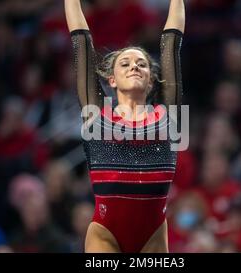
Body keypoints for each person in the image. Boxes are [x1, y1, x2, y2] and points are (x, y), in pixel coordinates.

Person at [65, 0, 185, 253]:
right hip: (105, 234)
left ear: (151, 80)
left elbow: (172, 44)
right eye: (125, 63)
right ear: (112, 80)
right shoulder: (96, 116)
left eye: (141, 64)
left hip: (152, 235)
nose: (134, 66)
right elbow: (81, 44)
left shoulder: (167, 116)